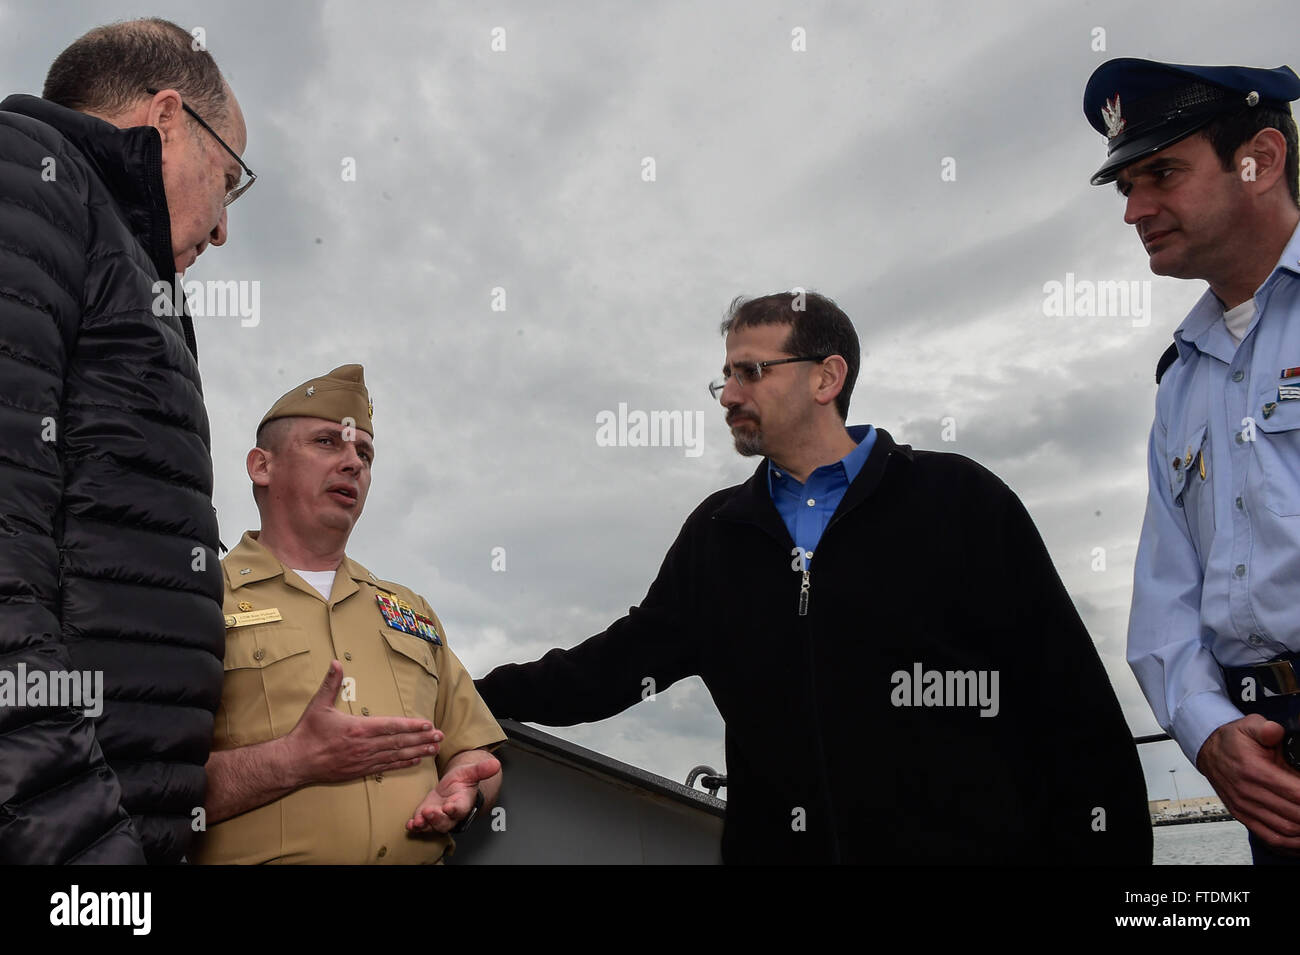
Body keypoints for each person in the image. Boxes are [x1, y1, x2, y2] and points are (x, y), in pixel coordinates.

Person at [477, 291, 1151, 864]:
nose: (729, 396)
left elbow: (1075, 715)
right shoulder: (717, 536)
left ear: (827, 378)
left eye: (751, 372)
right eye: (725, 377)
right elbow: (607, 668)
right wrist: (460, 693)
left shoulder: (962, 502)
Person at [0, 19, 251, 864]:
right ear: (169, 118)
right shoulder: (27, 180)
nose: (222, 230)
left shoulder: (123, 261)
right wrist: (81, 847)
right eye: (230, 179)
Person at [1084, 58, 1300, 864]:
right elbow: (1165, 596)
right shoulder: (1182, 381)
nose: (1136, 209)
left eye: (1162, 173)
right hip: (1266, 765)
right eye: (1126, 186)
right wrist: (1209, 735)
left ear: (1261, 160)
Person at [192, 365, 505, 864]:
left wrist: (464, 795)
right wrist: (293, 761)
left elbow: (476, 753)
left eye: (364, 453)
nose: (353, 464)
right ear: (261, 466)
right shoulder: (199, 600)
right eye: (326, 443)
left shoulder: (411, 611)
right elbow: (145, 787)